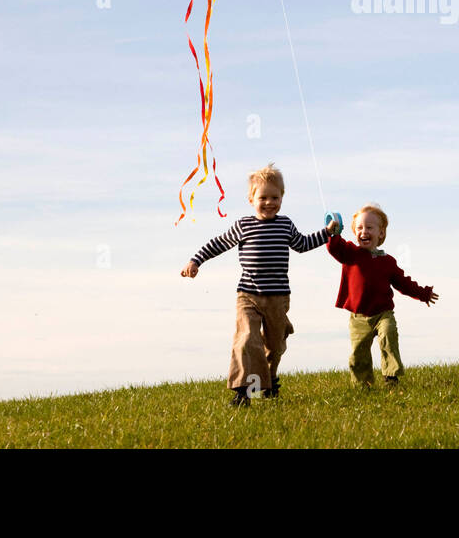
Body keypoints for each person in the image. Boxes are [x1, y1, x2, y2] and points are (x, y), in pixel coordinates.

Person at [182, 163, 338, 406]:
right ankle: (243, 391)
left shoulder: (285, 225)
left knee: (274, 347)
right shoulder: (244, 225)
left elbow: (303, 244)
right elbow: (219, 243)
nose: (269, 202)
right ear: (251, 199)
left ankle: (269, 379)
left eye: (275, 197)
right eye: (263, 197)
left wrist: (328, 232)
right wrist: (196, 260)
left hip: (278, 298)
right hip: (248, 295)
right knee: (246, 339)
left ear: (282, 198)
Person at [326, 203, 439, 387]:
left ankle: (391, 376)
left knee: (388, 335)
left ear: (381, 233)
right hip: (359, 316)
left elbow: (404, 283)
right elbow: (335, 248)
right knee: (358, 352)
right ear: (354, 232)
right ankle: (363, 385)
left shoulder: (388, 262)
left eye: (370, 227)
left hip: (383, 313)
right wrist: (332, 232)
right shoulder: (351, 253)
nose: (364, 231)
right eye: (360, 228)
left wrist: (423, 294)